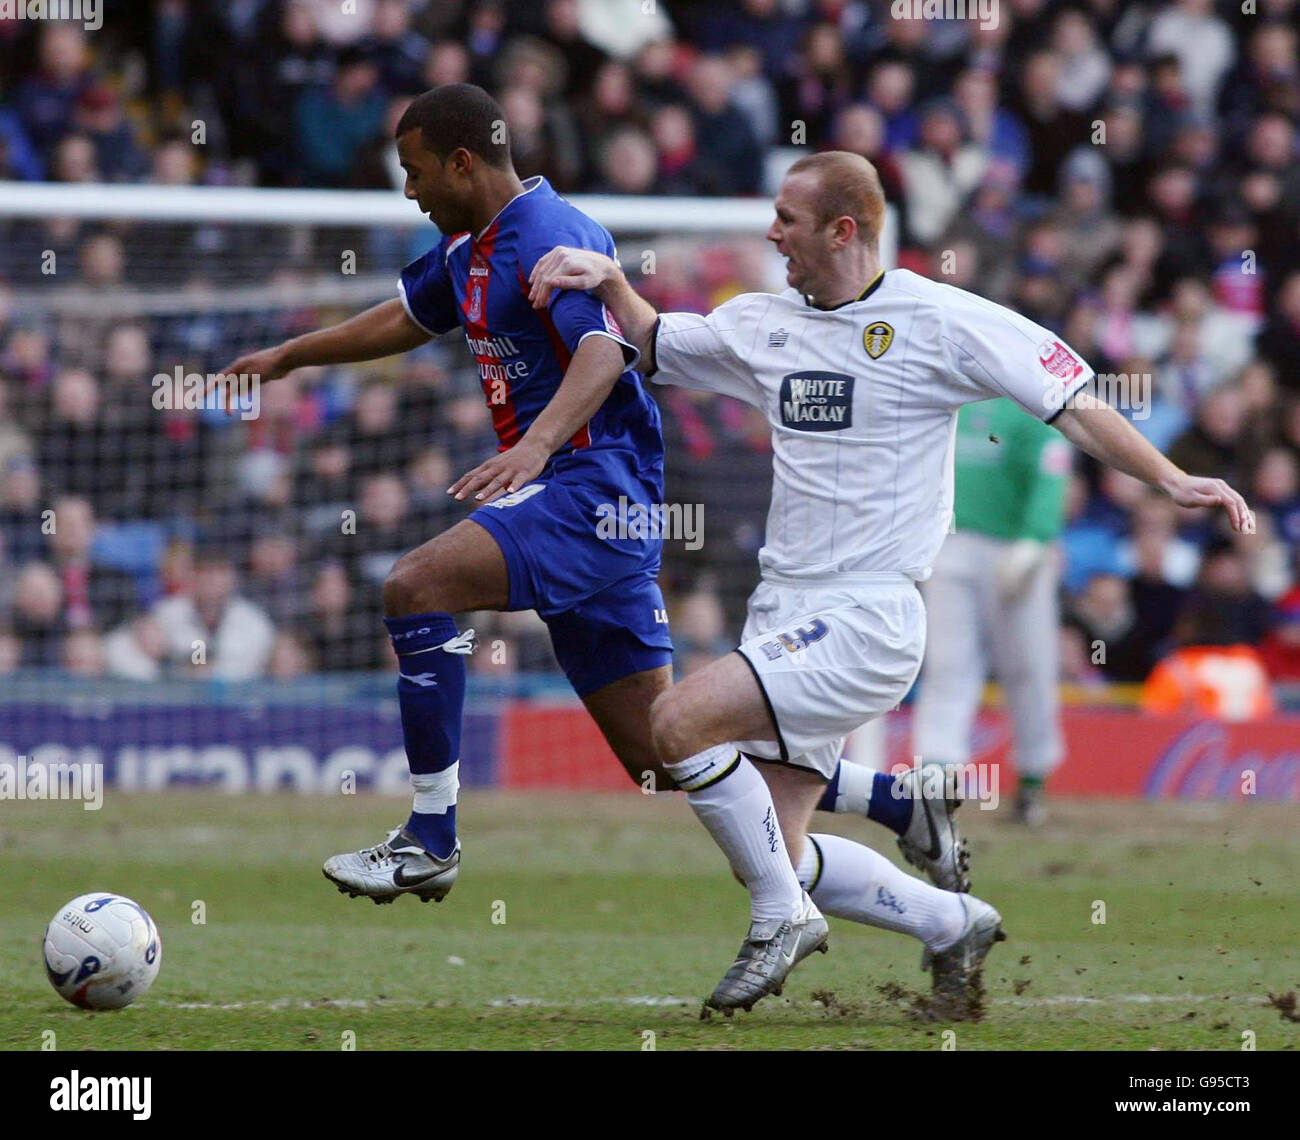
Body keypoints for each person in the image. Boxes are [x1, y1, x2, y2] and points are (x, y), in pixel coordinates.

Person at [528, 151, 1255, 1017]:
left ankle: (786, 914)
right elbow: (653, 343)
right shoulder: (763, 323)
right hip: (783, 611)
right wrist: (612, 280)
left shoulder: (940, 320)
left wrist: (1171, 480)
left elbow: (1069, 395)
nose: (770, 235)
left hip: (869, 613)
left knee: (677, 723)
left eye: (787, 221)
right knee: (776, 848)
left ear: (844, 230)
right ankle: (951, 919)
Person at [219, 84, 674, 904]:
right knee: (665, 758)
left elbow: (606, 352)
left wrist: (535, 448)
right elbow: (402, 318)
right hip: (579, 501)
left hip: (592, 486)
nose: (409, 190)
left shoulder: (551, 236)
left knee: (415, 583)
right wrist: (290, 355)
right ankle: (888, 799)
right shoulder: (473, 248)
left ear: (463, 163)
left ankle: (430, 837)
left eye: (416, 170)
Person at [912, 399, 1073, 826]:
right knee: (947, 664)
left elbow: (1051, 473)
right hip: (951, 541)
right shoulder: (951, 396)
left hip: (1015, 548)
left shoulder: (1032, 401)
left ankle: (1032, 780)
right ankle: (937, 778)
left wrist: (1035, 540)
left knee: (1029, 666)